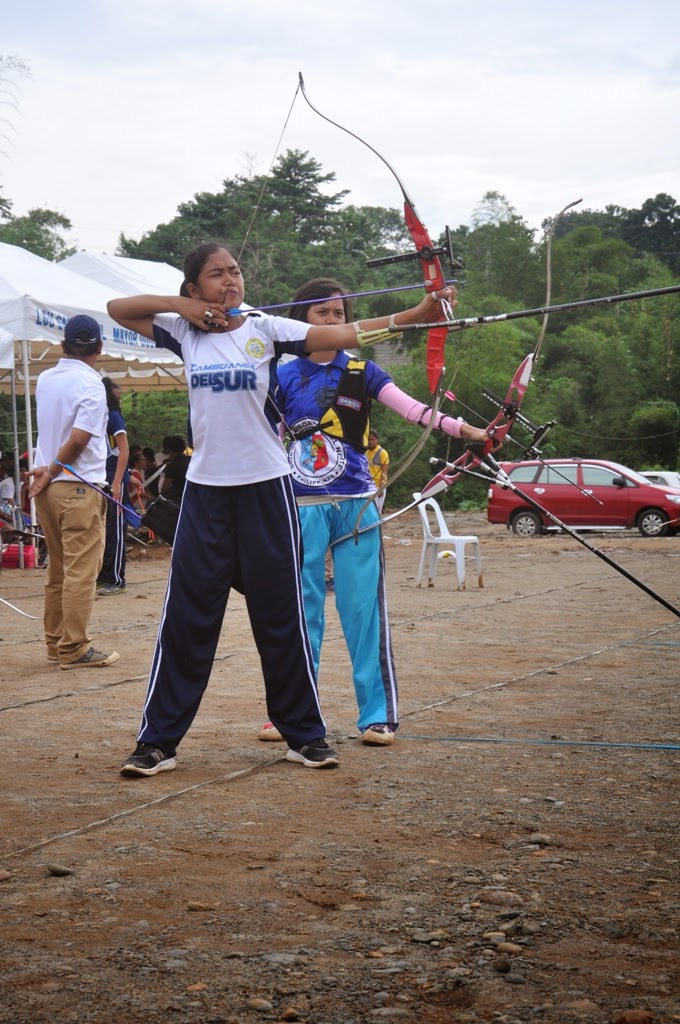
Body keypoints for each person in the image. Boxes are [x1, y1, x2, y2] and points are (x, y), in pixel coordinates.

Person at [106, 241, 451, 777]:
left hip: (268, 489)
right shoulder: (183, 331)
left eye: (236, 272)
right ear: (195, 287)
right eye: (217, 275)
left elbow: (340, 334)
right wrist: (183, 309)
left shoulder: (264, 328)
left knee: (282, 614)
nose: (231, 281)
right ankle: (158, 742)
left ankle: (303, 734)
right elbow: (117, 310)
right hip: (206, 492)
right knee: (187, 618)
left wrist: (414, 315)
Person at [256, 277, 489, 746]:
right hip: (300, 506)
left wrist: (464, 430)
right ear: (300, 320)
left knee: (362, 609)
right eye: (322, 314)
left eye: (340, 314)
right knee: (301, 612)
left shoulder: (362, 370)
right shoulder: (277, 373)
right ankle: (292, 713)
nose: (333, 320)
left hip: (357, 504)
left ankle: (377, 715)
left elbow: (412, 410)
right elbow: (253, 431)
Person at [28, 315, 120, 669]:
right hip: (76, 485)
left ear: (63, 346)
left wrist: (47, 472)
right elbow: (79, 438)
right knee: (81, 570)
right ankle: (75, 646)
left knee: (58, 569)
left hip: (47, 487)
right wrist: (53, 469)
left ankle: (56, 644)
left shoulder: (47, 378)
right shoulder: (92, 383)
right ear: (99, 348)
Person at [96, 378, 130, 596]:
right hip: (103, 479)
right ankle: (104, 574)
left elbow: (124, 450)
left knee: (116, 530)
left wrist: (118, 481)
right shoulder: (100, 417)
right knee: (105, 530)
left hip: (113, 481)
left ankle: (117, 579)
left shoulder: (114, 417)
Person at [160, 435, 191, 503]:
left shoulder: (172, 464)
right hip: (191, 496)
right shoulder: (191, 461)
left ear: (170, 450)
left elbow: (165, 488)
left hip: (176, 500)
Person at [367, 431, 389, 512]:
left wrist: (381, 488)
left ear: (377, 440)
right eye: (369, 440)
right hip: (369, 486)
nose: (371, 442)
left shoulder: (382, 453)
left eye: (373, 439)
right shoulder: (366, 453)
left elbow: (384, 472)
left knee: (377, 511)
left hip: (378, 486)